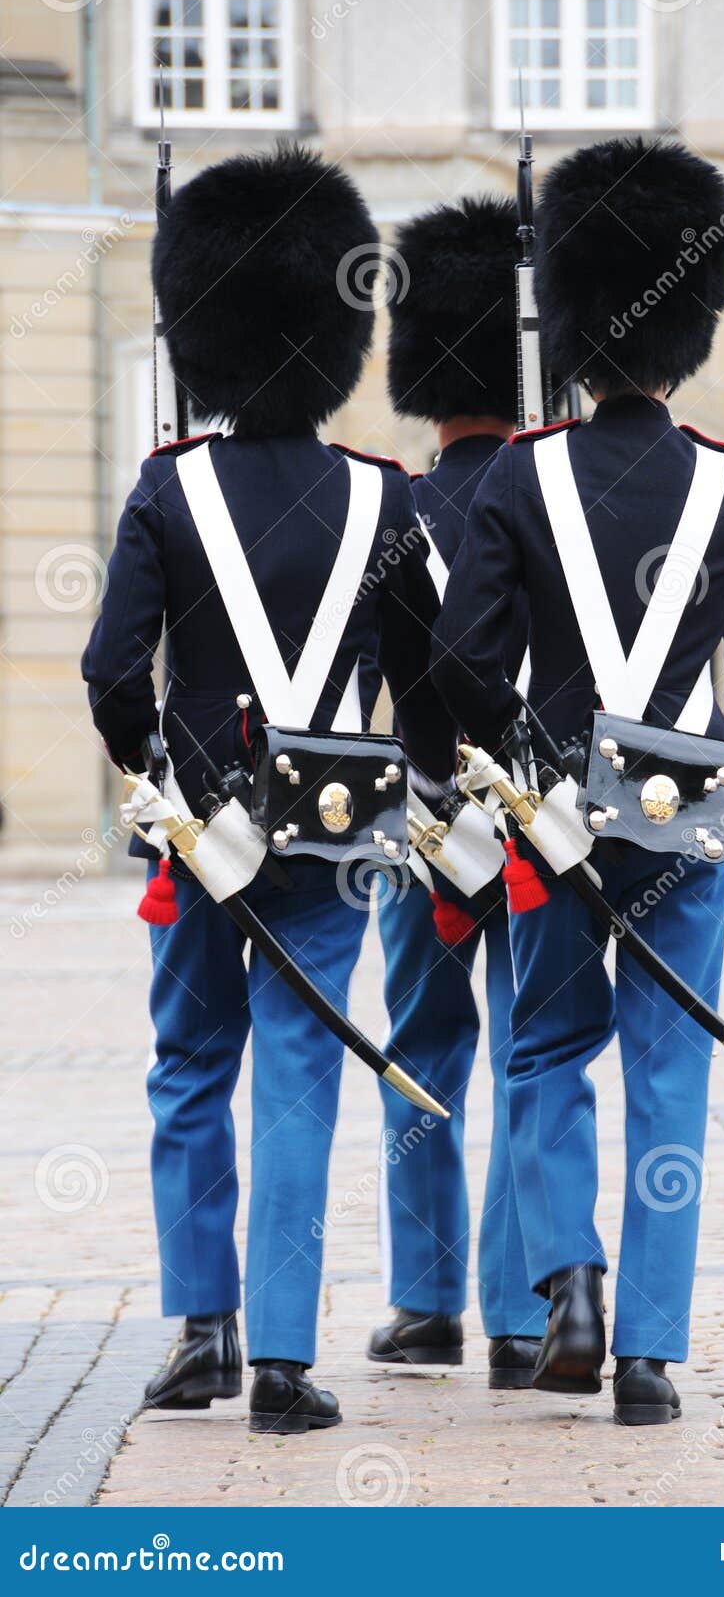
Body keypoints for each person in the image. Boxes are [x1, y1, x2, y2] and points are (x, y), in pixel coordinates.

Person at [430, 138, 724, 1426]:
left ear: (577, 326)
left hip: (552, 821)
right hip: (686, 811)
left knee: (543, 1050)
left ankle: (569, 1283)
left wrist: (528, 763)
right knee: (668, 1070)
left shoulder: (522, 471)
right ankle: (645, 1355)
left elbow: (462, 659)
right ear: (685, 336)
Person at [82, 145, 452, 1435]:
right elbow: (431, 675)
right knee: (300, 1070)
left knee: (191, 1067)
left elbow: (111, 668)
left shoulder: (167, 485)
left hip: (196, 836)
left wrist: (154, 777)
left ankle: (203, 1335)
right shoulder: (384, 496)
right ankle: (287, 1361)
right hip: (334, 837)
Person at [366, 197, 548, 1388]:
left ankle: (426, 1302)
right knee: (535, 1051)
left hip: (424, 816)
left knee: (423, 1054)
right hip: (538, 823)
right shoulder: (557, 492)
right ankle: (520, 1314)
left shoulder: (394, 508)